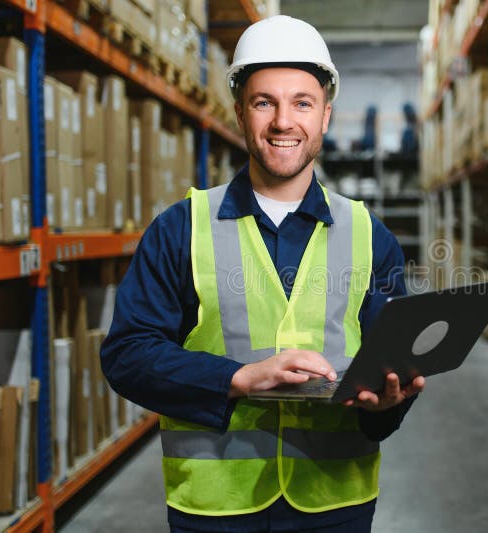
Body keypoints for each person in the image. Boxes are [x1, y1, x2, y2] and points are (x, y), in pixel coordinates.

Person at [100, 14, 425, 533]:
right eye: (264, 102)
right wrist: (237, 379)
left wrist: (387, 403)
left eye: (302, 103)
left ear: (325, 116)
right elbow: (127, 354)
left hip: (333, 503)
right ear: (239, 113)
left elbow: (389, 373)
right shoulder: (181, 229)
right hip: (216, 508)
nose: (283, 122)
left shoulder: (371, 236)